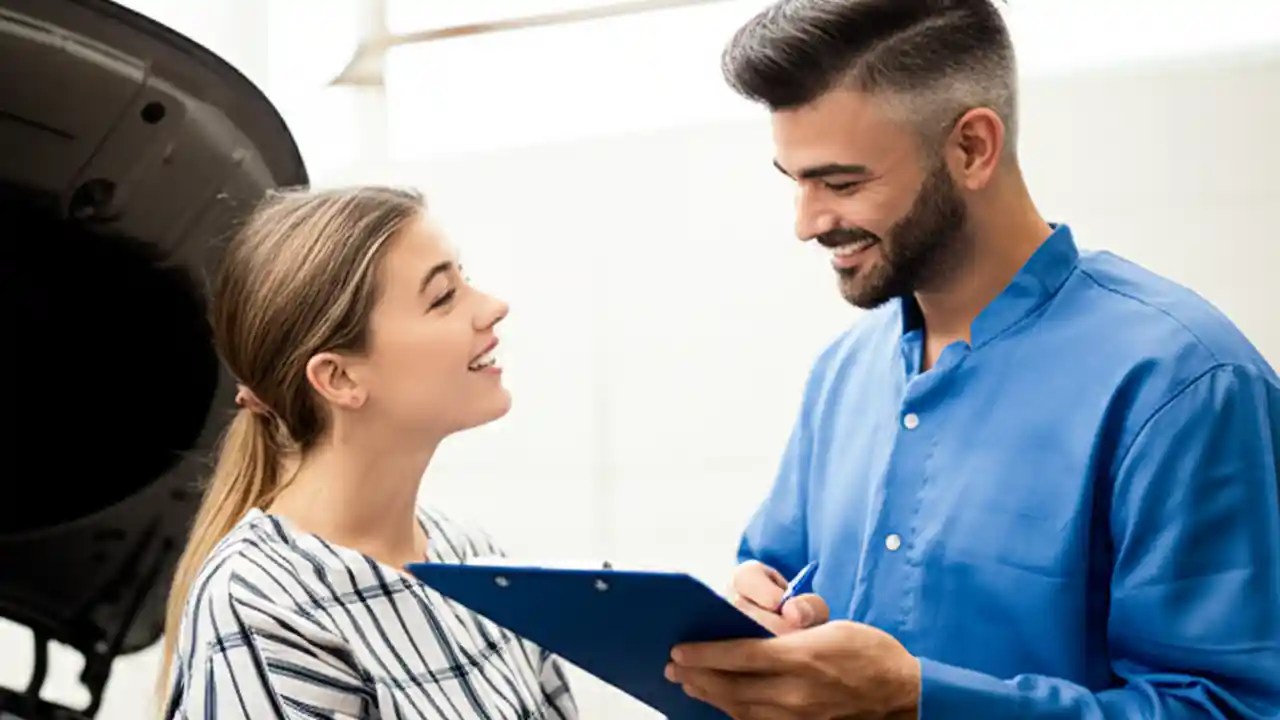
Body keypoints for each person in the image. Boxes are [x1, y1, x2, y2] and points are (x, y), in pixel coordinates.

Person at [665, 1, 1280, 718]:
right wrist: (757, 609)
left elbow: (1232, 708)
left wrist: (918, 699)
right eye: (794, 181)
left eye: (841, 184)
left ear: (972, 149)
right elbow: (775, 568)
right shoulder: (844, 372)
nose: (806, 224)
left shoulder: (1183, 384)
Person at [155, 186, 578, 719]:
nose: (493, 307)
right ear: (339, 378)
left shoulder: (475, 557)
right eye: (443, 297)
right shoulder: (264, 605)